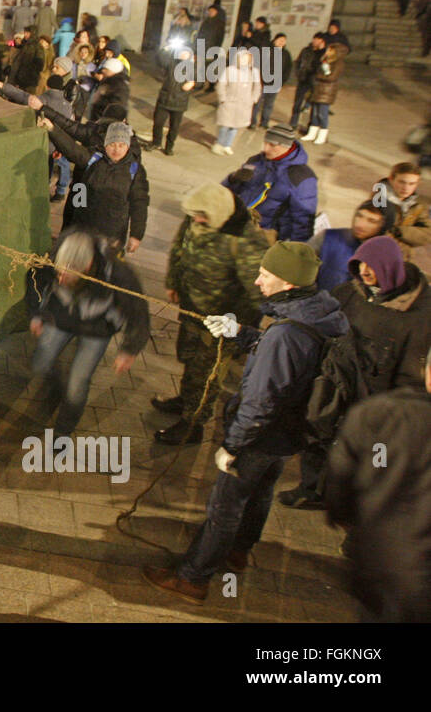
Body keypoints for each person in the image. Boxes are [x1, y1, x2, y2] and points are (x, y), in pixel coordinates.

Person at [143, 242, 348, 604]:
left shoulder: (286, 333)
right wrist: (241, 332)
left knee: (225, 506)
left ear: (287, 283)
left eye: (265, 275)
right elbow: (290, 354)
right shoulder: (318, 311)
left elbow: (260, 399)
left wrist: (232, 445)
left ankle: (193, 578)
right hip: (291, 431)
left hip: (261, 435)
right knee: (262, 490)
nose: (257, 281)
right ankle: (239, 550)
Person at [282, 235, 431, 509]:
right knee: (317, 435)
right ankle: (313, 489)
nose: (364, 271)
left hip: (377, 398)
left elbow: (412, 368)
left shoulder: (419, 314)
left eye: (371, 265)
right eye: (360, 264)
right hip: (334, 384)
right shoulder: (348, 293)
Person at [153, 185, 271, 445]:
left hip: (222, 323)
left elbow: (258, 292)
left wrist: (240, 331)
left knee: (206, 373)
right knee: (188, 357)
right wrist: (173, 281)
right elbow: (178, 248)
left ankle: (192, 425)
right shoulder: (196, 215)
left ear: (217, 213)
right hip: (192, 309)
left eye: (202, 216)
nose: (196, 220)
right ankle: (185, 401)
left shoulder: (247, 240)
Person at [324, 345, 431, 621]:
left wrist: (342, 515)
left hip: (381, 558)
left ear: (427, 372)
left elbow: (341, 475)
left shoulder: (378, 413)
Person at [24, 231, 149, 436]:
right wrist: (35, 313)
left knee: (77, 384)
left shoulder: (118, 274)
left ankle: (63, 432)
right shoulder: (53, 259)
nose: (61, 278)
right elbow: (34, 279)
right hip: (61, 316)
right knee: (40, 362)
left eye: (68, 273)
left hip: (97, 328)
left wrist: (129, 349)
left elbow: (138, 312)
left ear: (88, 266)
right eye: (59, 272)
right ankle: (55, 390)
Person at [43, 118, 149, 254]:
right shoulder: (94, 158)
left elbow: (140, 203)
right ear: (105, 145)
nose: (116, 150)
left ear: (128, 147)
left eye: (121, 145)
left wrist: (136, 235)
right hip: (84, 228)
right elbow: (72, 149)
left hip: (112, 235)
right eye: (112, 144)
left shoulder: (135, 170)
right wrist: (52, 129)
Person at [224, 125, 318, 243]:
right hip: (238, 226)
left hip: (264, 238)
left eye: (272, 145)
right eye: (265, 143)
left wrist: (295, 251)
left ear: (287, 146)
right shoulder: (256, 161)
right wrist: (233, 179)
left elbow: (303, 220)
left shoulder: (301, 177)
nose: (266, 149)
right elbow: (226, 192)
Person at [309, 201, 389, 293]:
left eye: (372, 221)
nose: (361, 224)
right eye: (359, 216)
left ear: (383, 227)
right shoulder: (329, 238)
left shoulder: (386, 258)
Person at [146, 45, 196, 155]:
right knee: (158, 122)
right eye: (182, 51)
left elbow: (200, 81)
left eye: (186, 52)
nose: (183, 54)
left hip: (179, 102)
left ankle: (169, 147)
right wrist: (166, 48)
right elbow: (159, 59)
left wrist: (192, 83)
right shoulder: (172, 62)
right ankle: (156, 142)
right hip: (165, 99)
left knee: (174, 127)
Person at [212, 48, 262, 155]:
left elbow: (257, 87)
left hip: (244, 104)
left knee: (235, 126)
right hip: (229, 102)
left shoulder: (254, 72)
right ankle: (219, 144)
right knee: (225, 125)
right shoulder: (230, 70)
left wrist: (253, 99)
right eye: (242, 59)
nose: (244, 61)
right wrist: (223, 98)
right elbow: (221, 84)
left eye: (246, 59)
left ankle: (227, 145)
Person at [374, 162, 431, 256]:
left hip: (403, 258)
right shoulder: (378, 202)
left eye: (412, 184)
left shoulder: (419, 205)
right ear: (391, 179)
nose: (406, 188)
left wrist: (400, 231)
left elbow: (428, 234)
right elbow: (377, 233)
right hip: (378, 255)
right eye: (402, 182)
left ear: (418, 183)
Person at [304, 40, 346, 145]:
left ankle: (322, 135)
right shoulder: (325, 60)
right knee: (314, 113)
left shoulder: (338, 63)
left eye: (330, 50)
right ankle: (312, 133)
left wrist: (319, 76)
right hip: (318, 89)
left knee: (322, 114)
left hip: (326, 91)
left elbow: (332, 77)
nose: (327, 51)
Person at [251, 32, 291, 128]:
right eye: (280, 40)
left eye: (284, 41)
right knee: (257, 103)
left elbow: (287, 69)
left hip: (275, 83)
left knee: (269, 104)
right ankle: (252, 122)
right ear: (275, 40)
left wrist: (282, 82)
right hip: (262, 82)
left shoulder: (286, 54)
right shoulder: (266, 50)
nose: (281, 42)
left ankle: (264, 122)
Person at [288, 31, 326, 131]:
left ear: (322, 41)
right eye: (314, 39)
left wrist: (322, 50)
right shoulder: (306, 50)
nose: (315, 41)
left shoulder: (324, 53)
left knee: (310, 106)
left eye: (317, 40)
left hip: (314, 82)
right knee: (297, 103)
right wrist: (298, 73)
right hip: (303, 79)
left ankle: (308, 126)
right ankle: (293, 123)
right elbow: (298, 62)